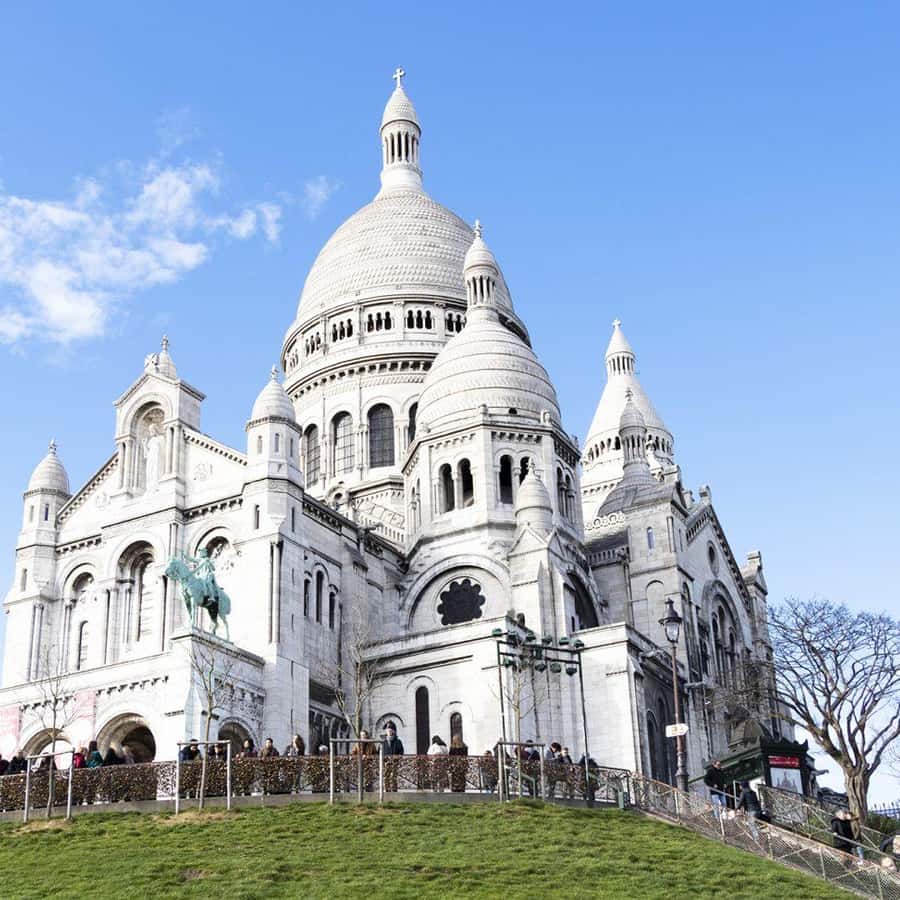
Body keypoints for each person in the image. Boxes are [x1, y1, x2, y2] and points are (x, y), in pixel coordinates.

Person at [382, 722, 403, 793]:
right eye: (388, 730)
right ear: (386, 732)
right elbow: (380, 752)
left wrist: (397, 757)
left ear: (394, 731)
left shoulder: (398, 741)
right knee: (386, 776)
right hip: (386, 762)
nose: (390, 732)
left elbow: (401, 752)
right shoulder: (383, 742)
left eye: (391, 730)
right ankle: (386, 789)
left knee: (394, 776)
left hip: (394, 762)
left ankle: (394, 790)